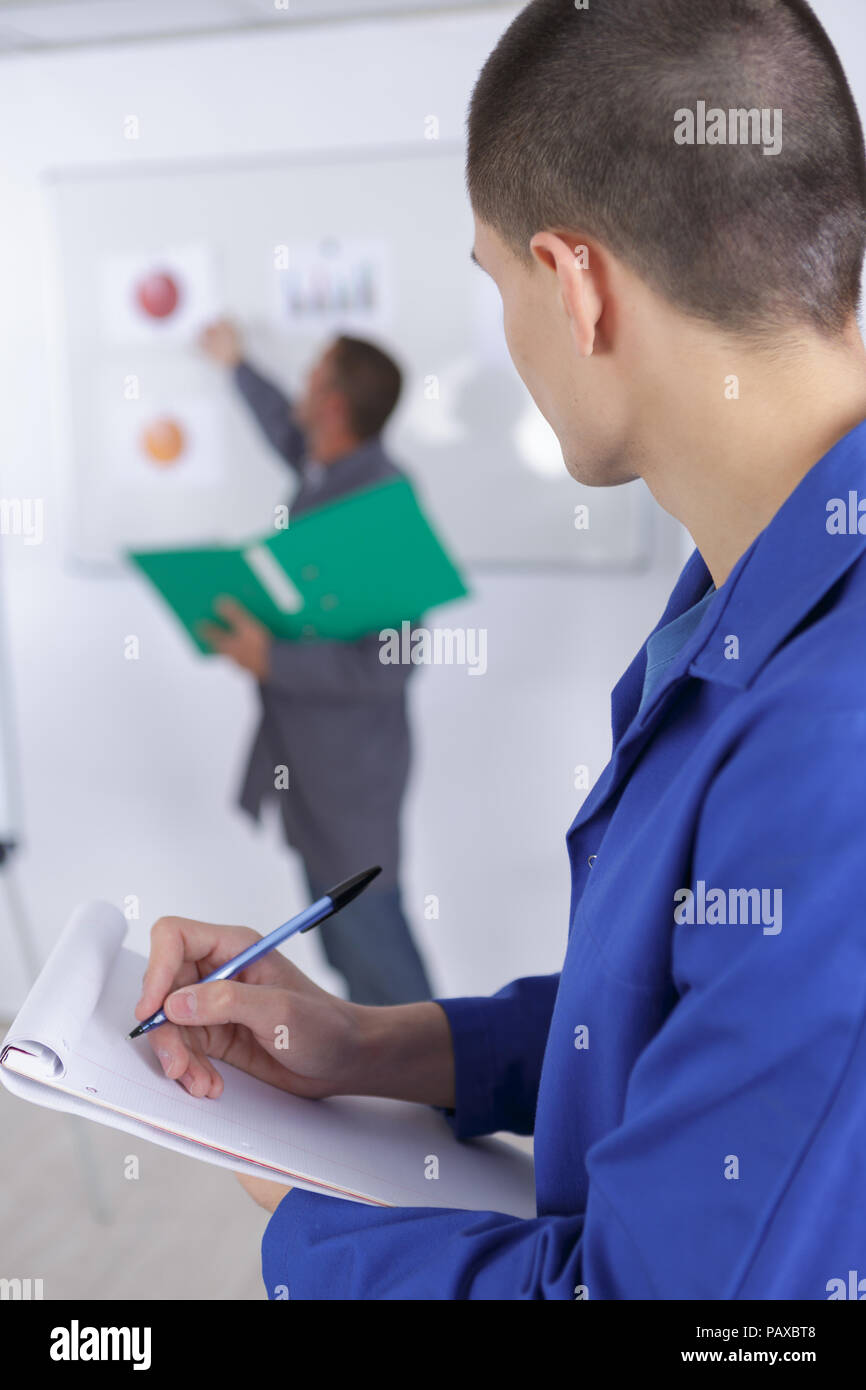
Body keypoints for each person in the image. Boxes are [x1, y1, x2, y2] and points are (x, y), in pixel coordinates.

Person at [136, 0, 866, 1298]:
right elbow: (681, 1018)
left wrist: (301, 1196)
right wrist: (370, 1047)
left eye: (492, 284)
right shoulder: (747, 588)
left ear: (575, 283)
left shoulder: (829, 731)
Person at [197, 322, 433, 1007]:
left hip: (352, 776)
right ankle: (384, 1096)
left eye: (312, 374)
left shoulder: (383, 505)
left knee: (377, 948)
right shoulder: (325, 463)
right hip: (304, 764)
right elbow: (283, 426)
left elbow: (387, 667)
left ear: (331, 404)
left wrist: (270, 657)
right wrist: (237, 364)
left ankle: (451, 1107)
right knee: (342, 947)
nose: (299, 383)